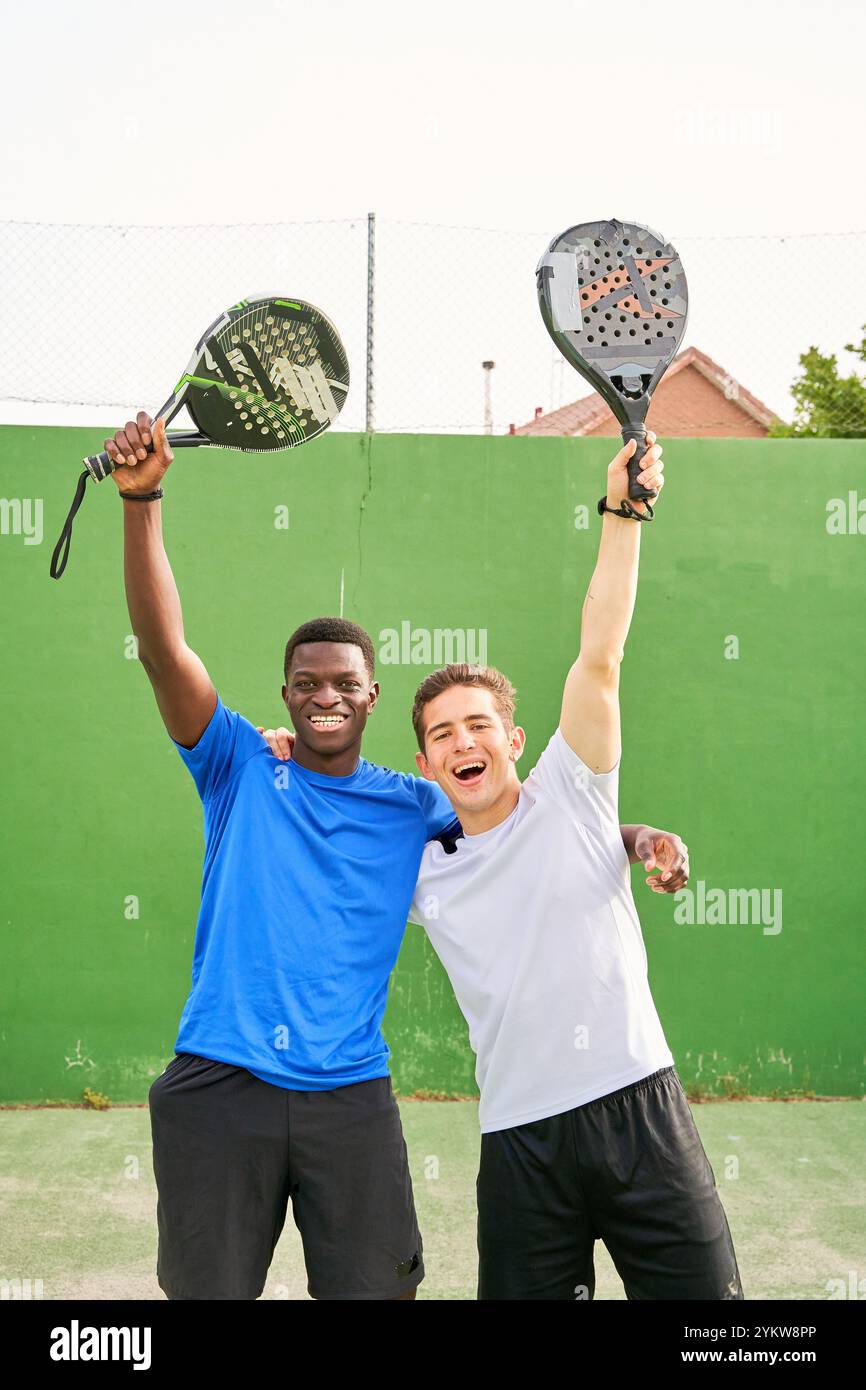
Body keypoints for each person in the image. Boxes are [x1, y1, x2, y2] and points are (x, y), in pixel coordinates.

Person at [106, 409, 690, 1302]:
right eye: (307, 684)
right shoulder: (235, 763)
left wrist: (631, 837)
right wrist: (142, 500)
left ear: (370, 696)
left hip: (351, 1100)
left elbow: (528, 829)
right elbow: (162, 651)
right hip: (222, 1084)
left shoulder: (414, 804)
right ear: (286, 695)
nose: (325, 696)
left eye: (344, 683)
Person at [404, 432, 744, 1300]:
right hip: (521, 1146)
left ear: (514, 741)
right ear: (428, 768)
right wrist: (286, 760)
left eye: (478, 724)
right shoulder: (419, 868)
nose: (463, 741)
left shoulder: (574, 788)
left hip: (641, 1112)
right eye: (442, 735)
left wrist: (624, 513)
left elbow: (600, 651)